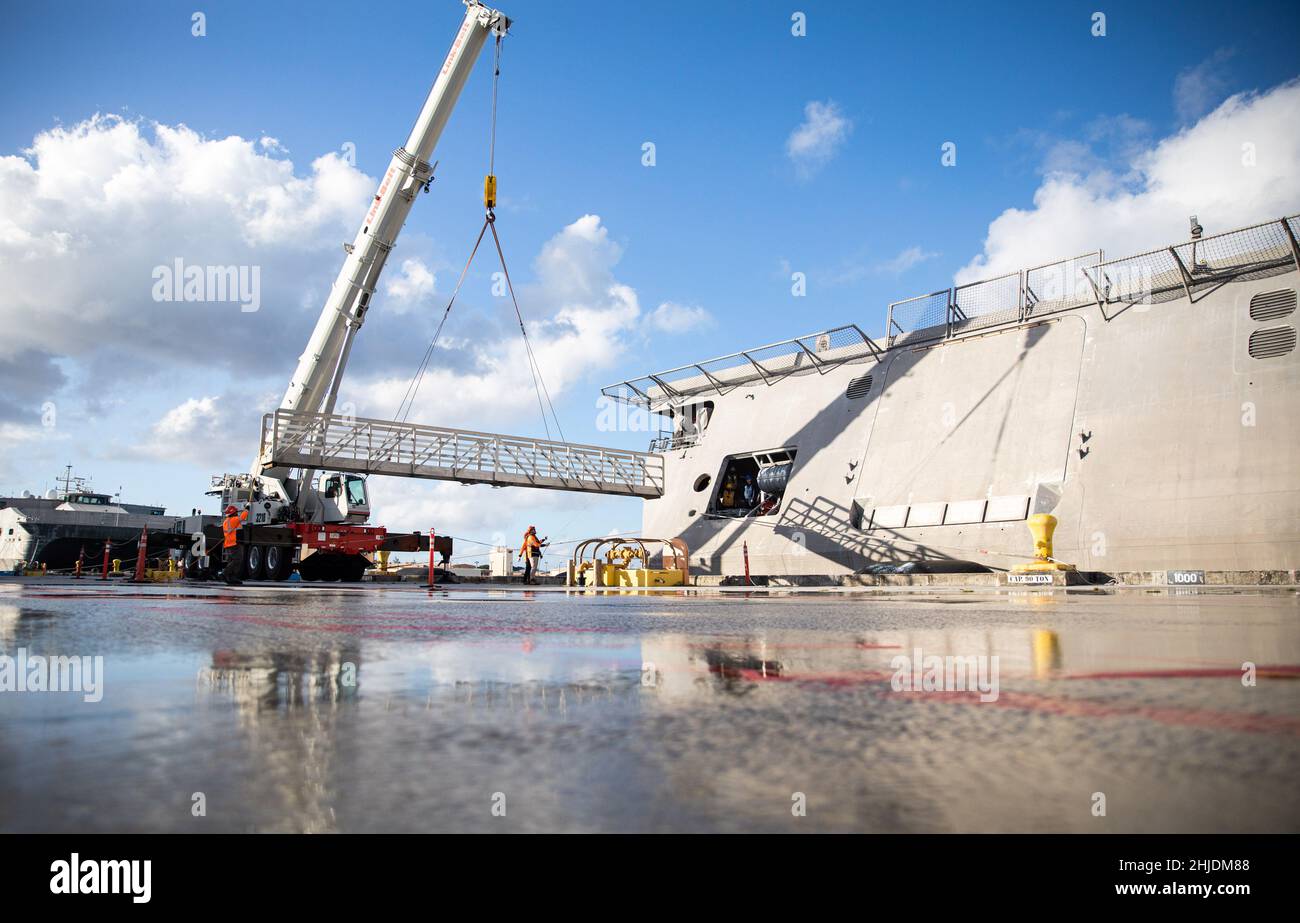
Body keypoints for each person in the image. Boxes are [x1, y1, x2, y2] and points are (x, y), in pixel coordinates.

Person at [222, 504, 249, 585]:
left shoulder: (226, 521)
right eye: (236, 512)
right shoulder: (233, 520)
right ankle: (226, 573)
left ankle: (231, 578)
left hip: (229, 544)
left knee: (231, 560)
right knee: (237, 560)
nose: (237, 513)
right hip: (235, 544)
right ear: (233, 513)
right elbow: (242, 517)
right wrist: (247, 509)